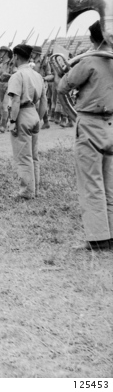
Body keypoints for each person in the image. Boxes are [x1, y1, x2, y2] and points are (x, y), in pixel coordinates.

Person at [57, 20, 113, 251]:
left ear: (92, 39)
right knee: (109, 183)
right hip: (111, 124)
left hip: (89, 123)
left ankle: (99, 239)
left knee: (91, 183)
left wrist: (73, 115)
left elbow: (62, 87)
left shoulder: (89, 60)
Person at [6, 44, 45, 200]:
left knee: (23, 157)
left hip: (22, 114)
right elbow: (44, 102)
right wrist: (39, 118)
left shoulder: (17, 76)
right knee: (34, 156)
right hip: (34, 113)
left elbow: (15, 100)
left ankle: (26, 192)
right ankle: (35, 188)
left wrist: (13, 121)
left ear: (16, 57)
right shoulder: (37, 75)